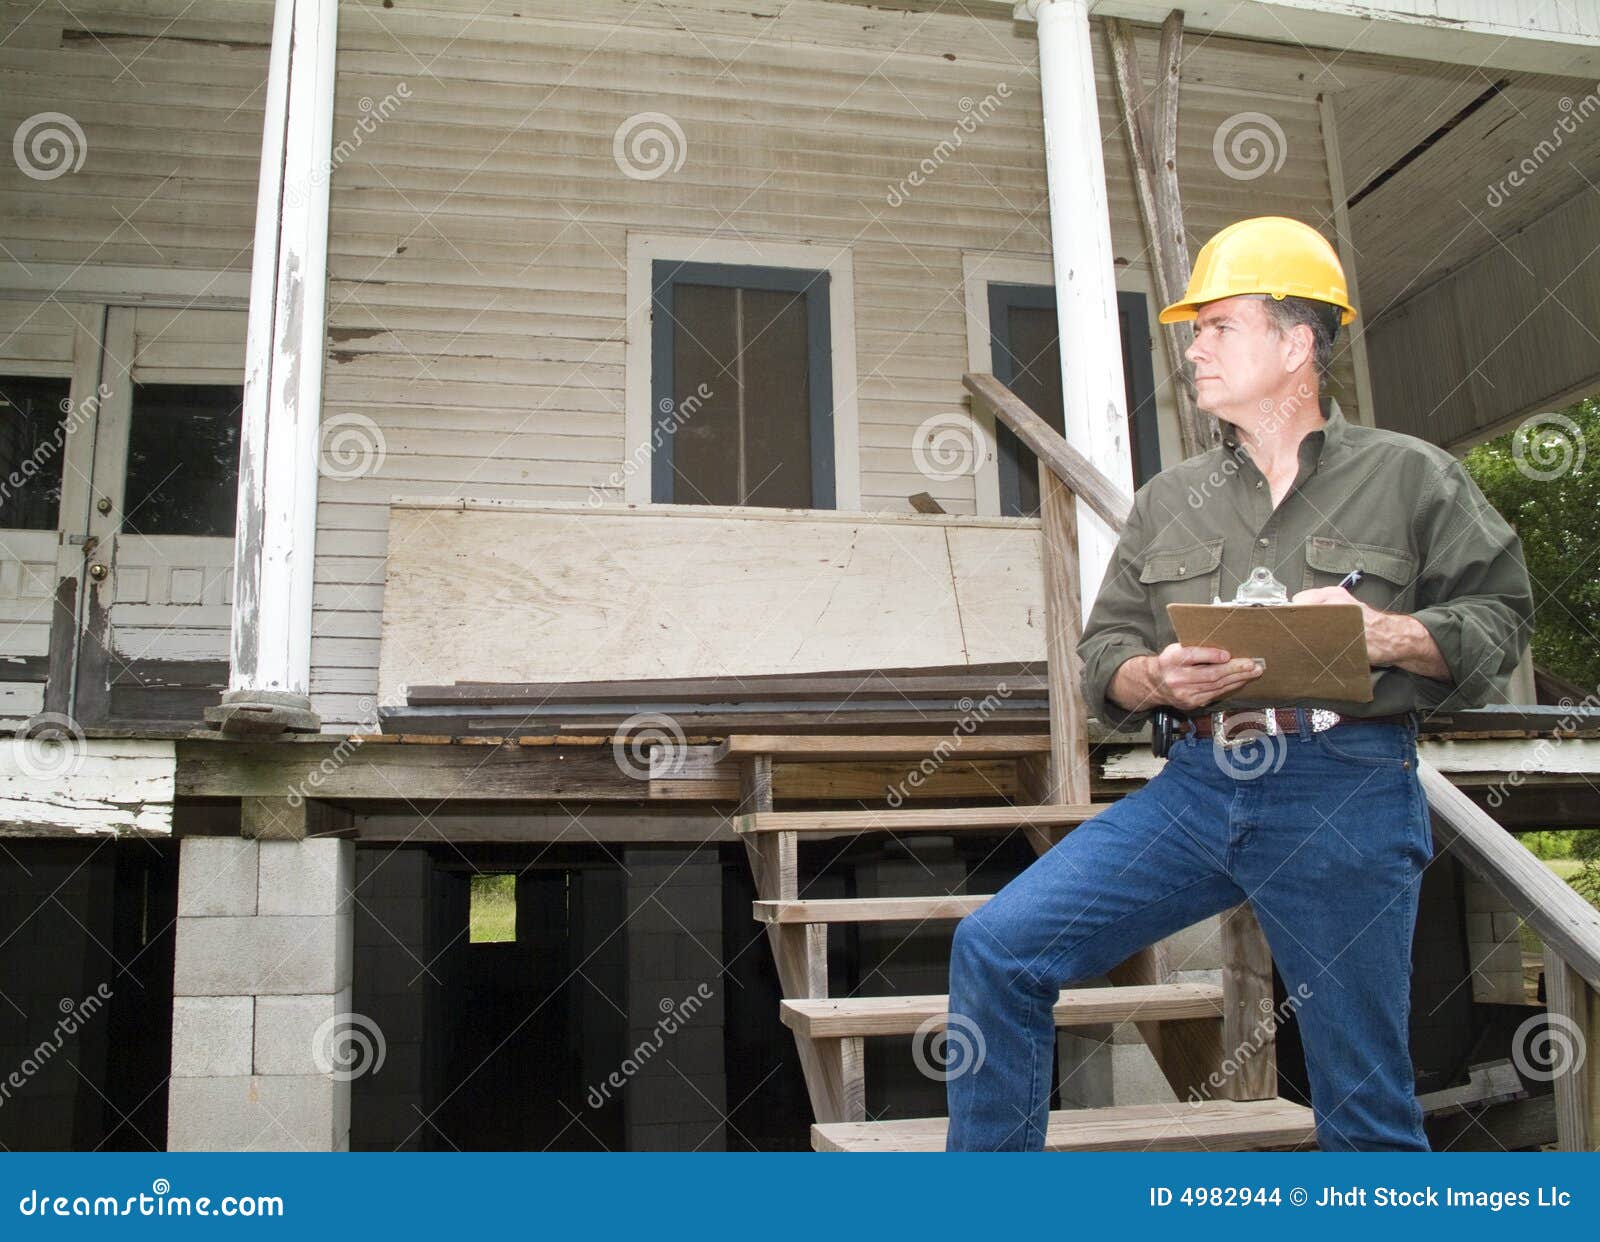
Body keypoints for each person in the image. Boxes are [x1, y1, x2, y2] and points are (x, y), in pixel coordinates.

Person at [944, 215, 1535, 1151]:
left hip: (1345, 785)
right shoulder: (1167, 500)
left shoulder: (1412, 478)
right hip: (1196, 785)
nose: (1194, 350)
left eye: (1219, 326)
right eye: (1195, 331)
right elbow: (1103, 655)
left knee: (1364, 1102)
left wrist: (1385, 632)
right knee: (998, 947)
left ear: (1297, 343)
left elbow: (1500, 619)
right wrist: (1153, 676)